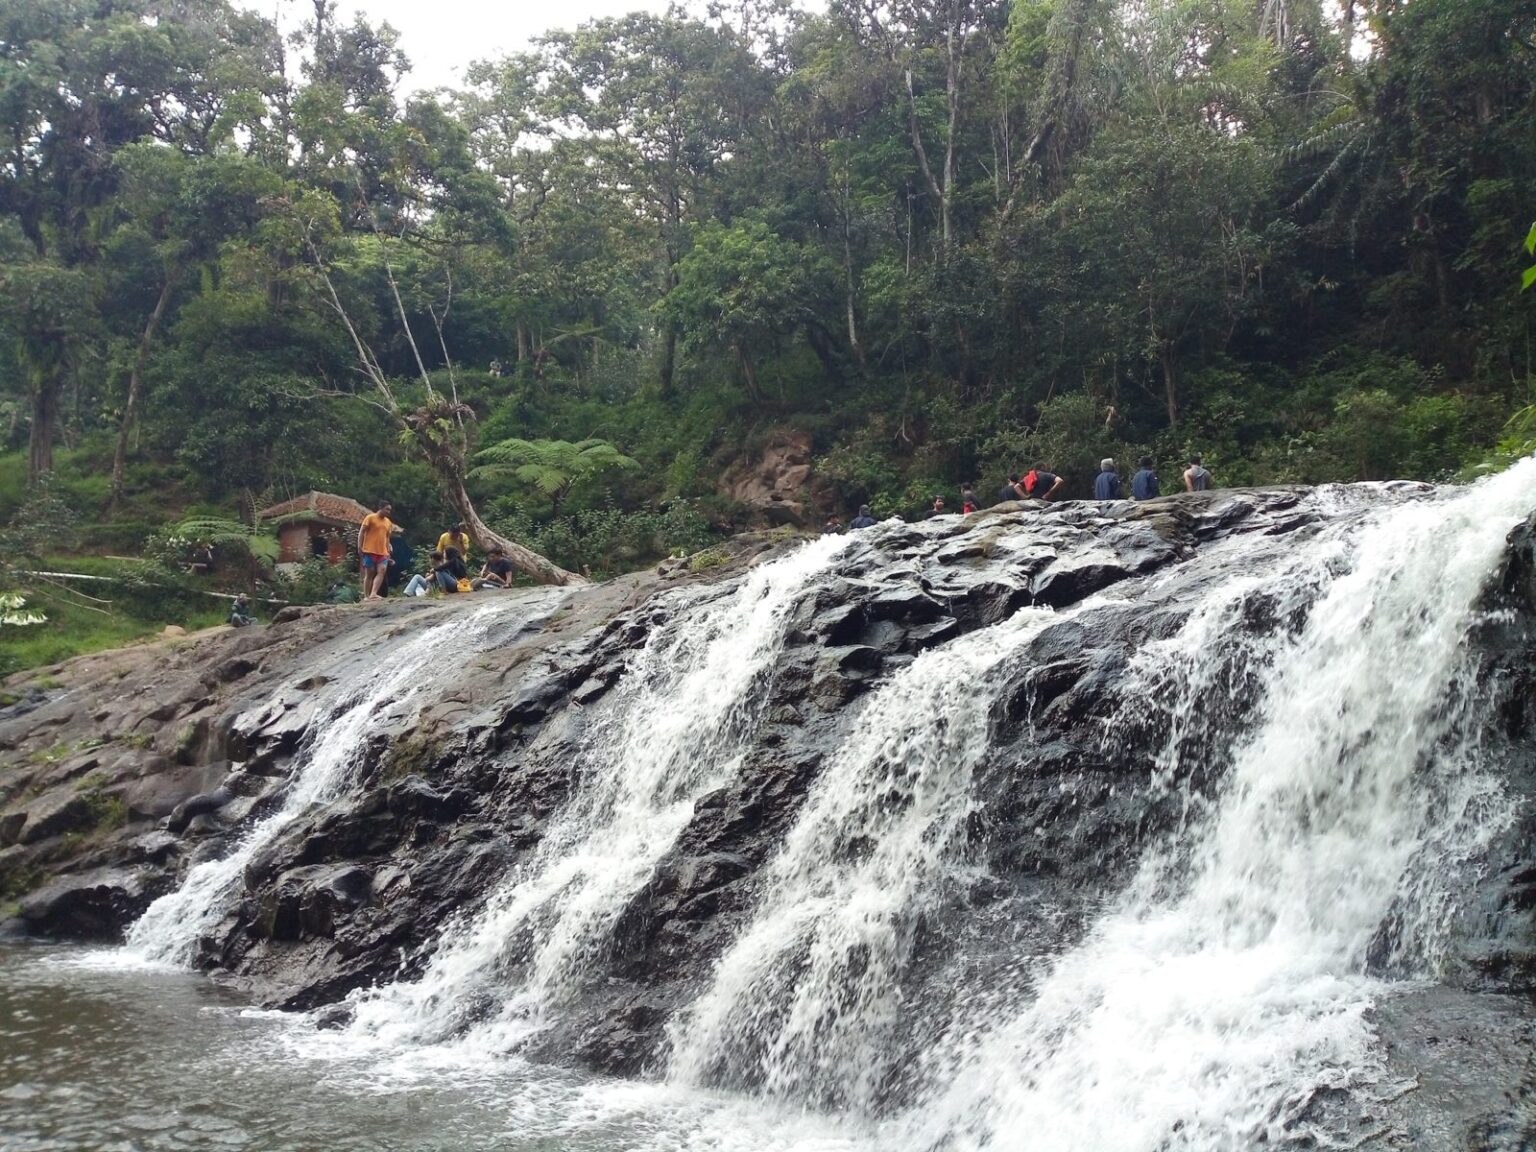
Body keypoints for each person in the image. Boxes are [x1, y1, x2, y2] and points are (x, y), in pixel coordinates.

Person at [358, 501, 404, 601]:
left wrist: (388, 553)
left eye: (390, 510)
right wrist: (359, 546)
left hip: (382, 552)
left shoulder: (388, 522)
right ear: (380, 508)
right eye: (387, 509)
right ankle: (366, 596)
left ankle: (373, 593)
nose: (388, 512)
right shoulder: (370, 518)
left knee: (382, 571)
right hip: (369, 550)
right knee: (369, 573)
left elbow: (387, 538)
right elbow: (362, 532)